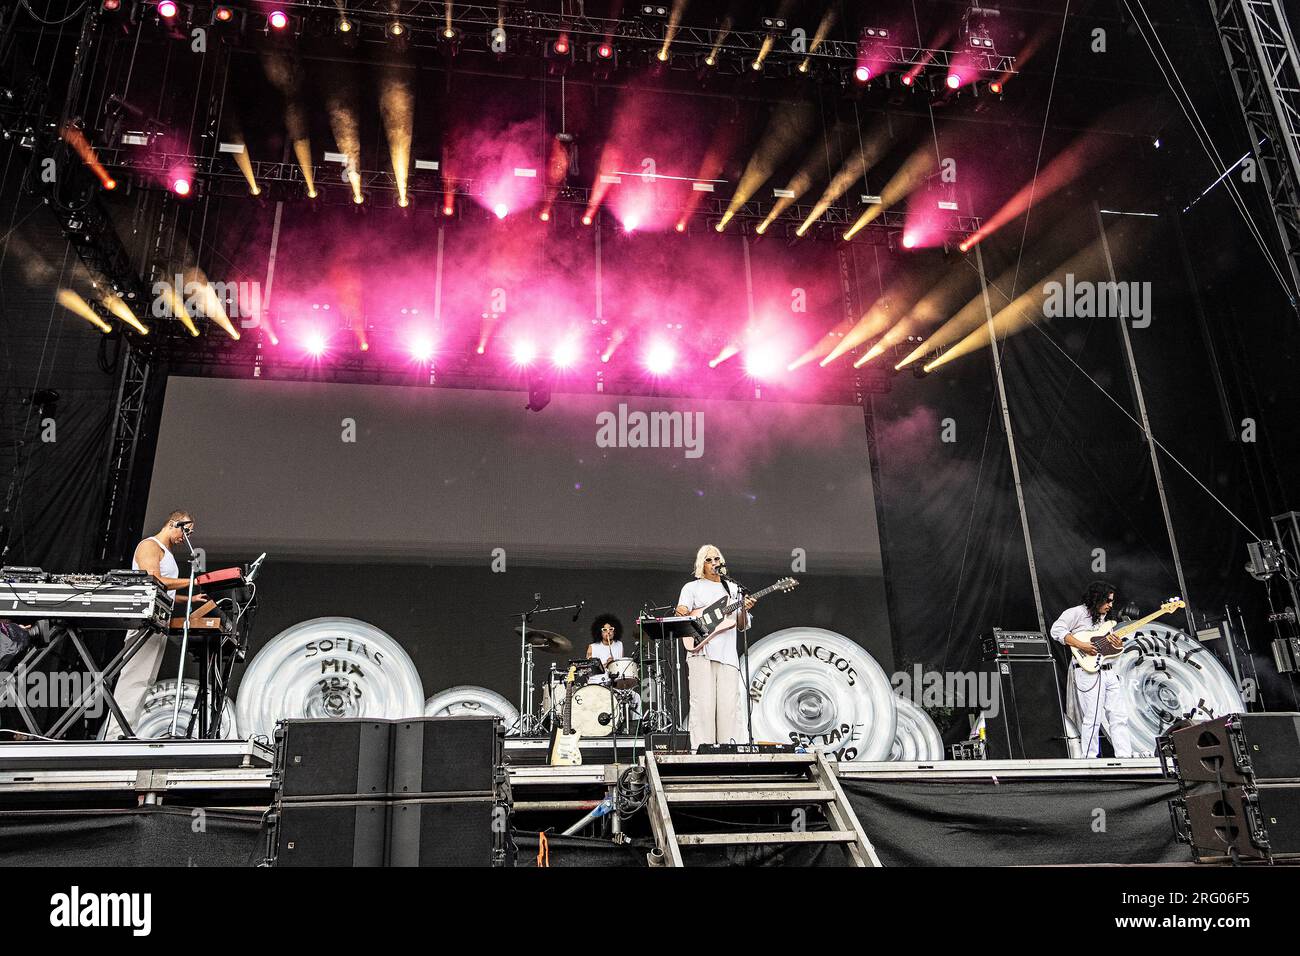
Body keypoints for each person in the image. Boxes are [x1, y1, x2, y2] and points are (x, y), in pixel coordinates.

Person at [102, 510, 199, 740]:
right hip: (143, 622)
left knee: (145, 682)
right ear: (174, 523)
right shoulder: (150, 546)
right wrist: (193, 582)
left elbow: (164, 591)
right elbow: (153, 580)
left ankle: (126, 732)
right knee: (134, 678)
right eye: (186, 532)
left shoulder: (167, 553)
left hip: (157, 623)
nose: (185, 539)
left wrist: (190, 598)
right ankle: (115, 735)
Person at [676, 544, 754, 750]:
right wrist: (684, 611)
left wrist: (744, 609)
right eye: (708, 560)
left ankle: (732, 749)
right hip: (701, 651)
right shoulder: (692, 588)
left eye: (716, 559)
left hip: (727, 654)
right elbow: (682, 613)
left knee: (729, 706)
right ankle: (702, 750)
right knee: (703, 705)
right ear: (701, 564)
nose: (713, 563)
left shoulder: (734, 589)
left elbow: (742, 625)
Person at [1049, 580, 1134, 758]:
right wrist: (1082, 645)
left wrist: (1118, 645)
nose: (1110, 605)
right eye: (1107, 601)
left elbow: (1110, 649)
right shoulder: (1077, 613)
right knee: (1092, 717)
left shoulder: (1107, 621)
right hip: (1088, 671)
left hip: (1109, 671)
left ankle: (1125, 757)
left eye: (1112, 601)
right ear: (1097, 599)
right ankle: (1090, 758)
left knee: (1118, 715)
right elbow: (1056, 630)